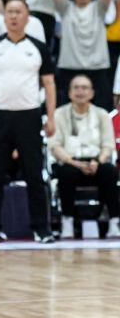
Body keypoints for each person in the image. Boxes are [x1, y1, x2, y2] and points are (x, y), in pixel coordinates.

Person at [0, 0, 56, 244]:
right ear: (4, 16)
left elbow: (49, 84)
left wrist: (50, 117)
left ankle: (42, 228)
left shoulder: (39, 47)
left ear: (27, 17)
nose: (14, 16)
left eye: (19, 12)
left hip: (29, 116)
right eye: (9, 12)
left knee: (34, 174)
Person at [50, 74, 120, 240]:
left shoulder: (102, 114)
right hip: (71, 162)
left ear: (92, 93)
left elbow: (108, 145)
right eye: (76, 87)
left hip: (96, 161)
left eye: (84, 88)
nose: (80, 91)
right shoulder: (59, 114)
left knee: (110, 172)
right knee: (65, 173)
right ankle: (67, 221)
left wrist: (98, 161)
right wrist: (75, 163)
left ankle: (114, 222)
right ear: (69, 92)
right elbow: (54, 145)